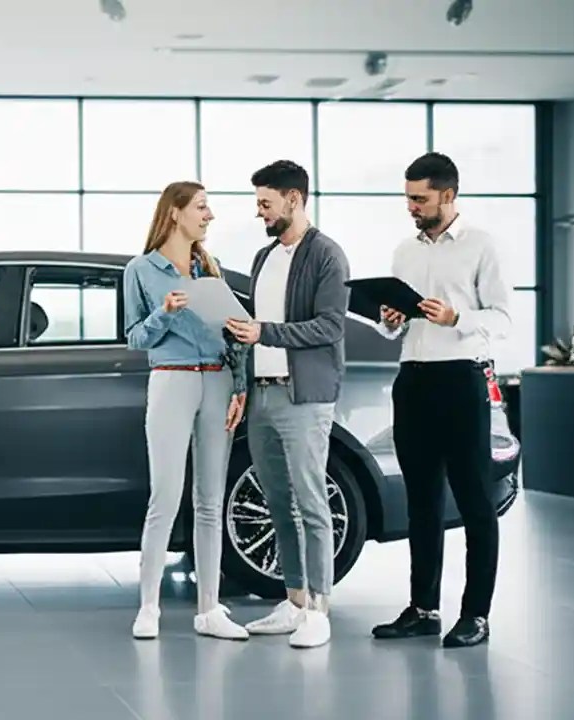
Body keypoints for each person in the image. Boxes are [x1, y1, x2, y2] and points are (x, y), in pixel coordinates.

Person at [370, 152, 510, 649]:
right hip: (413, 380)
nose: (411, 206)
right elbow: (399, 329)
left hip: (461, 381)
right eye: (408, 198)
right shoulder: (405, 251)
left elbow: (503, 318)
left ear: (447, 195)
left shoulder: (481, 246)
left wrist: (458, 319)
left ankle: (476, 614)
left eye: (419, 198)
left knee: (474, 500)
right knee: (421, 501)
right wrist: (391, 320)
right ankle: (424, 609)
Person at [223, 160, 350, 649]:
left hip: (304, 398)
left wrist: (265, 332)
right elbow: (254, 330)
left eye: (265, 204)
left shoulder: (327, 256)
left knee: (312, 501)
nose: (260, 213)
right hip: (262, 394)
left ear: (293, 200)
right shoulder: (263, 257)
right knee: (277, 501)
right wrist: (241, 383)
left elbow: (330, 326)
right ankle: (294, 601)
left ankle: (319, 608)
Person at [124, 181, 251, 641]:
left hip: (217, 381)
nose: (209, 215)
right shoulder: (141, 269)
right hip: (172, 379)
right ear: (174, 212)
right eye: (201, 207)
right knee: (165, 496)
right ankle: (149, 607)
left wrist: (240, 387)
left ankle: (210, 609)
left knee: (210, 501)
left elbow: (235, 337)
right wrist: (164, 313)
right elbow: (136, 337)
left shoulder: (208, 270)